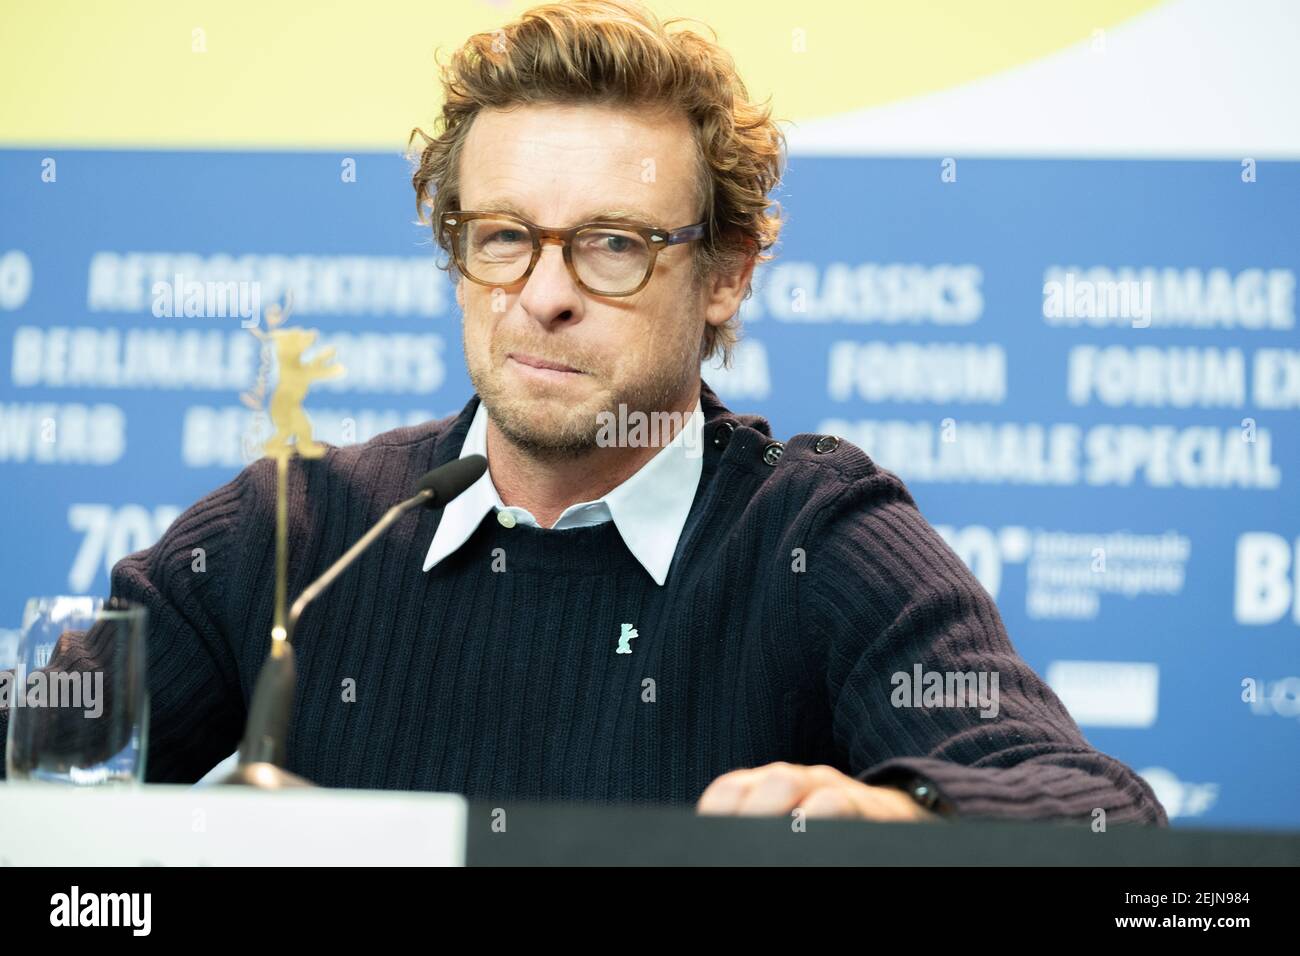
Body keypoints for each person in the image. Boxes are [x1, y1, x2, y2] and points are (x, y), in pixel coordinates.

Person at [0, 0, 1165, 825]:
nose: (544, 295)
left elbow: (1096, 808)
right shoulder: (303, 532)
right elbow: (40, 753)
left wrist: (896, 815)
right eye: (503, 237)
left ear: (724, 274)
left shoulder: (810, 535)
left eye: (611, 244)